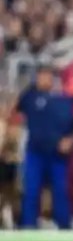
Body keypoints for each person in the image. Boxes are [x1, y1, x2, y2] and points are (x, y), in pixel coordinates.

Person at [17, 66, 73, 229]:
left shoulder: (64, 99)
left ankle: (64, 226)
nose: (45, 80)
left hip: (58, 155)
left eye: (48, 76)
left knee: (61, 190)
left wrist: (70, 141)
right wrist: (30, 84)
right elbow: (15, 105)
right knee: (31, 190)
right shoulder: (30, 97)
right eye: (41, 76)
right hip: (35, 152)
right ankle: (28, 226)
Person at [0, 96, 20, 228]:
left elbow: (16, 152)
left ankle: (12, 220)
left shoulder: (14, 129)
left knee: (11, 193)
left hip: (9, 165)